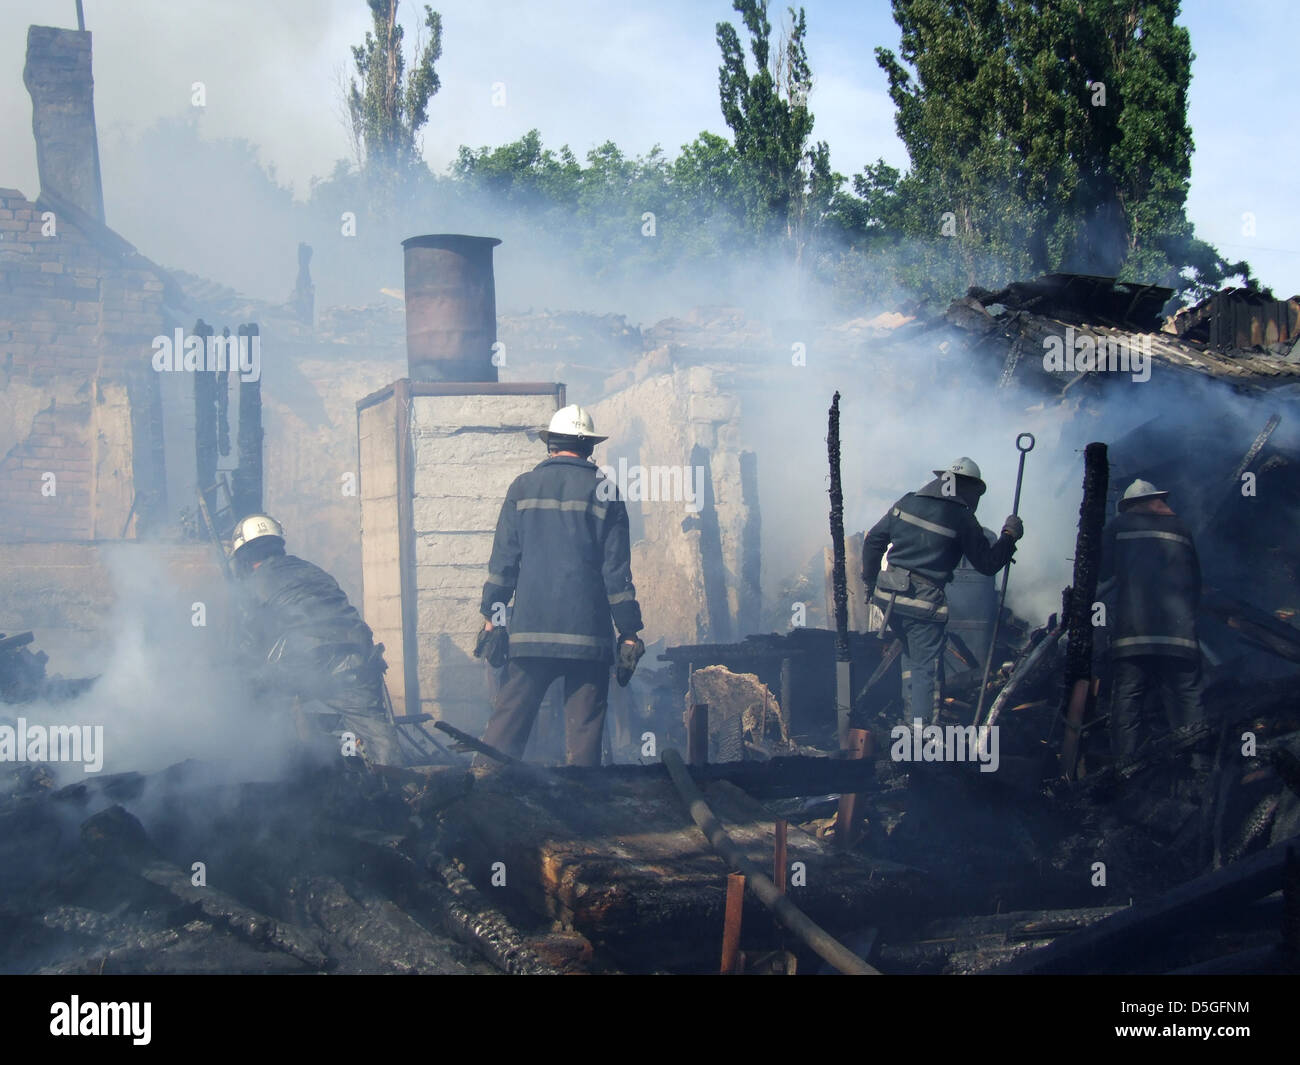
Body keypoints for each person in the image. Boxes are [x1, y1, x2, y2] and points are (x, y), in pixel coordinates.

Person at [476, 405, 644, 766]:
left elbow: (504, 564)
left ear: (551, 444)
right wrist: (628, 632)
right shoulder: (606, 492)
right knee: (584, 734)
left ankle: (485, 788)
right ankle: (582, 804)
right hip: (588, 637)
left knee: (507, 723)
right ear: (589, 449)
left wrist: (492, 618)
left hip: (530, 632)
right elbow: (617, 573)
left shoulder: (522, 488)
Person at [862, 458, 1024, 724]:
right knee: (927, 669)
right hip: (921, 603)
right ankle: (923, 736)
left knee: (912, 659)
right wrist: (1009, 536)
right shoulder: (961, 517)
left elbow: (874, 541)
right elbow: (987, 564)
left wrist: (869, 582)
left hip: (888, 597)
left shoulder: (908, 501)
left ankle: (910, 723)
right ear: (967, 487)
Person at [230, 514, 399, 766]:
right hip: (358, 657)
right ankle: (399, 789)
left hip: (306, 663)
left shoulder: (252, 587)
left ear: (244, 557)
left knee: (255, 698)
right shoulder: (313, 570)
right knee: (376, 735)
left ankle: (277, 772)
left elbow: (248, 648)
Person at [1099, 479, 1205, 761]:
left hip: (1134, 636)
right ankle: (1198, 770)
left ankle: (1126, 769)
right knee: (1187, 702)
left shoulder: (1119, 527)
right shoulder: (1182, 528)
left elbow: (1099, 571)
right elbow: (1196, 584)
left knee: (1128, 702)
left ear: (1130, 506)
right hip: (1180, 637)